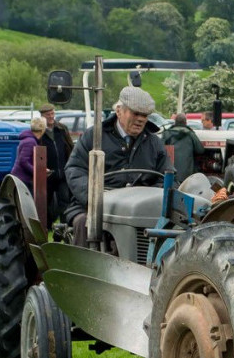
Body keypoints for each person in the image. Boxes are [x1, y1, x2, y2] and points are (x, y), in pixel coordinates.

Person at [64, 86, 172, 243]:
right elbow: (75, 169)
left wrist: (151, 199)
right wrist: (93, 197)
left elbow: (167, 176)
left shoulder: (154, 143)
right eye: (135, 113)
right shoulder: (94, 136)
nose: (141, 119)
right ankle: (82, 259)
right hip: (95, 205)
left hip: (140, 209)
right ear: (119, 111)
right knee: (83, 223)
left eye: (145, 115)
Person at [39, 102, 74, 220]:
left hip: (62, 172)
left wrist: (70, 165)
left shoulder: (62, 129)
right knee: (45, 202)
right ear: (42, 116)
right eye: (48, 114)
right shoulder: (39, 131)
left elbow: (70, 147)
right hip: (47, 174)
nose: (51, 117)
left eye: (52, 113)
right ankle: (46, 225)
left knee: (65, 200)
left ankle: (64, 225)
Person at [161, 113, 206, 185]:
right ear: (185, 122)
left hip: (170, 173)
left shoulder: (167, 134)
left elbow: (160, 152)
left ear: (175, 122)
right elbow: (200, 150)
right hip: (187, 175)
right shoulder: (190, 134)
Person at [13, 116, 47, 188]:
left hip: (21, 178)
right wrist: (37, 171)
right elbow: (23, 161)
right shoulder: (30, 141)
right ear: (42, 130)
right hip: (22, 179)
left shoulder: (29, 140)